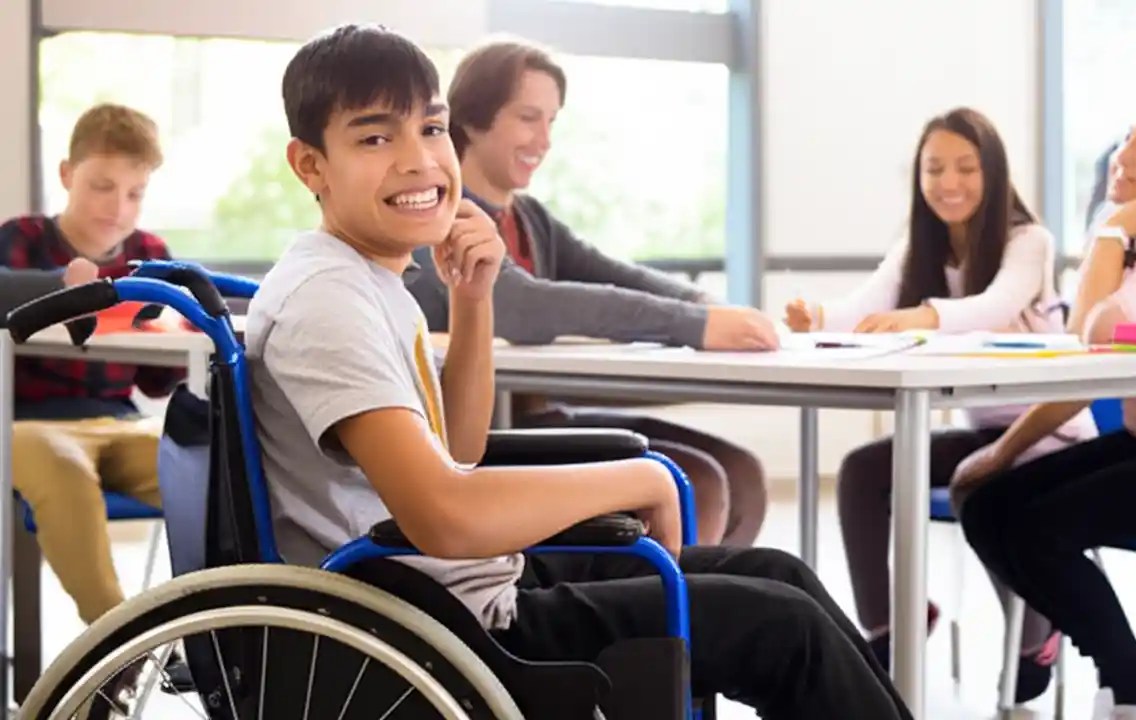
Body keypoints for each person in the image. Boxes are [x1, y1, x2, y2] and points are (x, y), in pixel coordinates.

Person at [250, 23, 911, 718]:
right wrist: (638, 477)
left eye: (432, 129)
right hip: (442, 627)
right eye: (376, 138)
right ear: (311, 165)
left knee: (781, 576)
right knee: (786, 630)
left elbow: (459, 451)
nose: (420, 161)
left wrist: (474, 302)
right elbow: (443, 513)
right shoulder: (326, 302)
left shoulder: (370, 280)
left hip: (466, 584)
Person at [955, 96, 1136, 719]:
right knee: (989, 505)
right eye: (1129, 137)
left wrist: (1111, 231)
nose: (1124, 157)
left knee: (1040, 531)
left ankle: (1135, 681)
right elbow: (1087, 369)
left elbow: (1089, 336)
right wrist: (1002, 453)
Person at [405, 39, 771, 546]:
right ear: (471, 120)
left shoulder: (529, 219)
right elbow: (528, 306)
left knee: (742, 472)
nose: (544, 139)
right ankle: (666, 612)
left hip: (537, 418)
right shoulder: (441, 218)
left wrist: (707, 306)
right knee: (699, 481)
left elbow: (613, 274)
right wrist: (695, 326)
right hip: (476, 443)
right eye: (529, 118)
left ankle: (704, 616)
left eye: (552, 121)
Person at [784, 107, 1097, 699]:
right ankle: (886, 632)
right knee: (861, 471)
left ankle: (1038, 634)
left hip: (1046, 434)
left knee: (977, 485)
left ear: (994, 173)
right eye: (934, 169)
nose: (947, 183)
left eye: (964, 168)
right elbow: (866, 304)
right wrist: (817, 317)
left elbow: (992, 309)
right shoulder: (920, 244)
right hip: (983, 435)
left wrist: (922, 318)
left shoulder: (1030, 241)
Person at [1, 103, 182, 626]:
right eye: (102, 186)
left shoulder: (151, 253)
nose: (119, 207)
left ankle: (217, 629)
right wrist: (63, 285)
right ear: (66, 175)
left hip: (120, 423)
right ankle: (116, 639)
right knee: (60, 463)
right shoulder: (22, 240)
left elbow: (159, 377)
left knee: (211, 465)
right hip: (28, 425)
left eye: (135, 193)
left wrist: (166, 323)